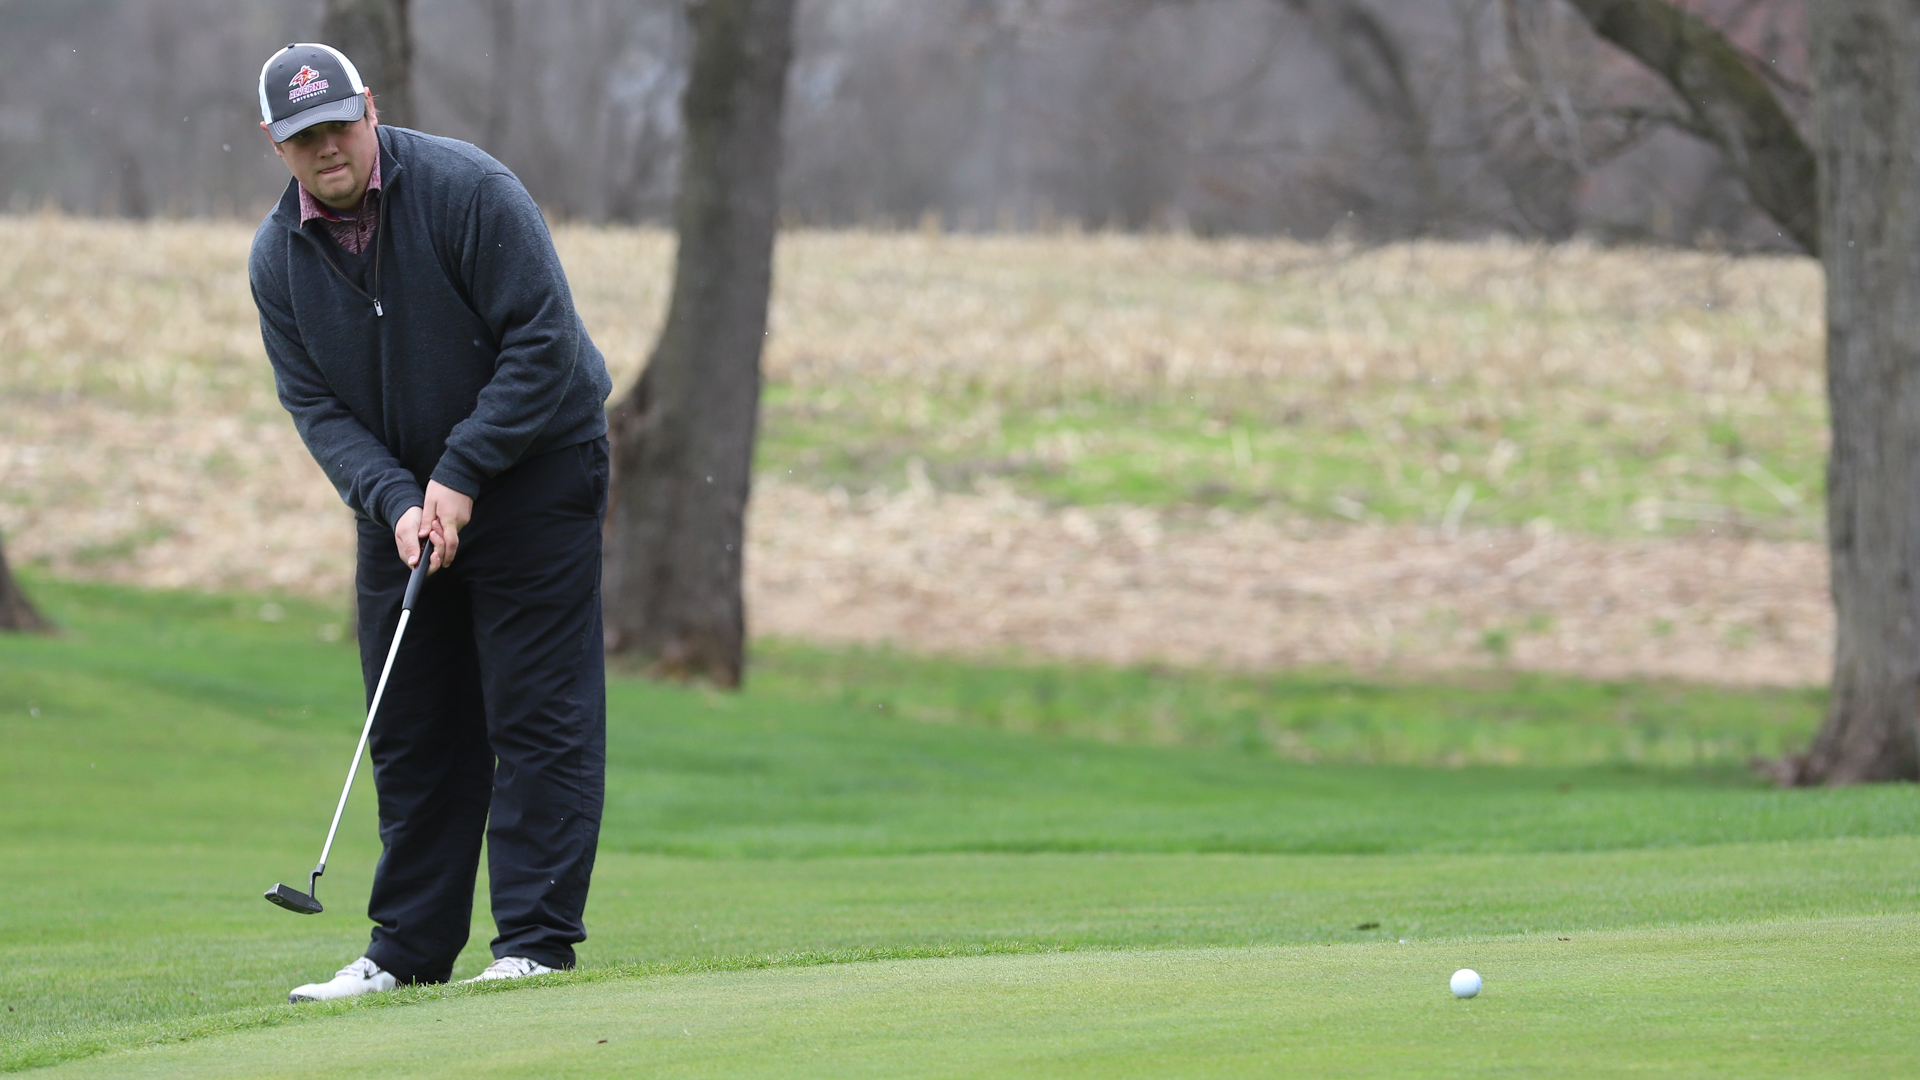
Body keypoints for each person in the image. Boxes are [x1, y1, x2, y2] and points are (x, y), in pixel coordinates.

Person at [248, 43, 614, 1003]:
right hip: (404, 499)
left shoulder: (469, 191)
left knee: (535, 710)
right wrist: (400, 500)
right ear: (274, 146)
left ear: (369, 109)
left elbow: (543, 339)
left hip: (536, 470)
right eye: (302, 137)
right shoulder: (276, 260)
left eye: (337, 124)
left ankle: (532, 942)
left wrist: (462, 470)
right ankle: (406, 953)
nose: (326, 148)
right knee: (412, 723)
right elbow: (317, 410)